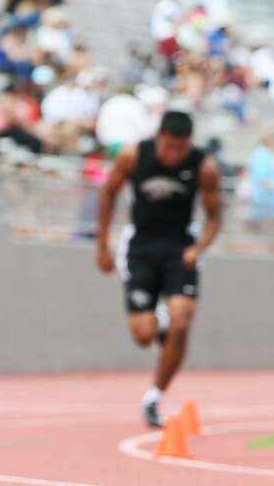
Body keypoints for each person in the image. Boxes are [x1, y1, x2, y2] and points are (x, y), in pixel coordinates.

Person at [94, 111, 222, 427]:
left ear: (188, 144)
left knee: (182, 319)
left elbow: (215, 217)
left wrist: (199, 248)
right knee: (143, 335)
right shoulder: (133, 155)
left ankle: (154, 397)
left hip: (181, 249)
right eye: (168, 146)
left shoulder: (203, 167)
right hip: (139, 248)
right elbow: (108, 192)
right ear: (158, 137)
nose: (173, 155)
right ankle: (161, 325)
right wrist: (102, 244)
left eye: (180, 148)